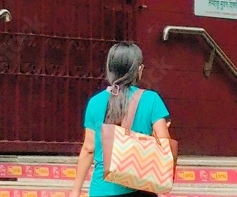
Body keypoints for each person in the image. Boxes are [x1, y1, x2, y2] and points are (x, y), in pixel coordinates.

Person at [70, 42, 171, 197]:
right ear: (139, 70)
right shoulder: (151, 99)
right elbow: (164, 145)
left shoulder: (95, 102)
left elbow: (89, 148)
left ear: (110, 69)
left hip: (102, 189)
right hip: (141, 187)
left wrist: (76, 190)